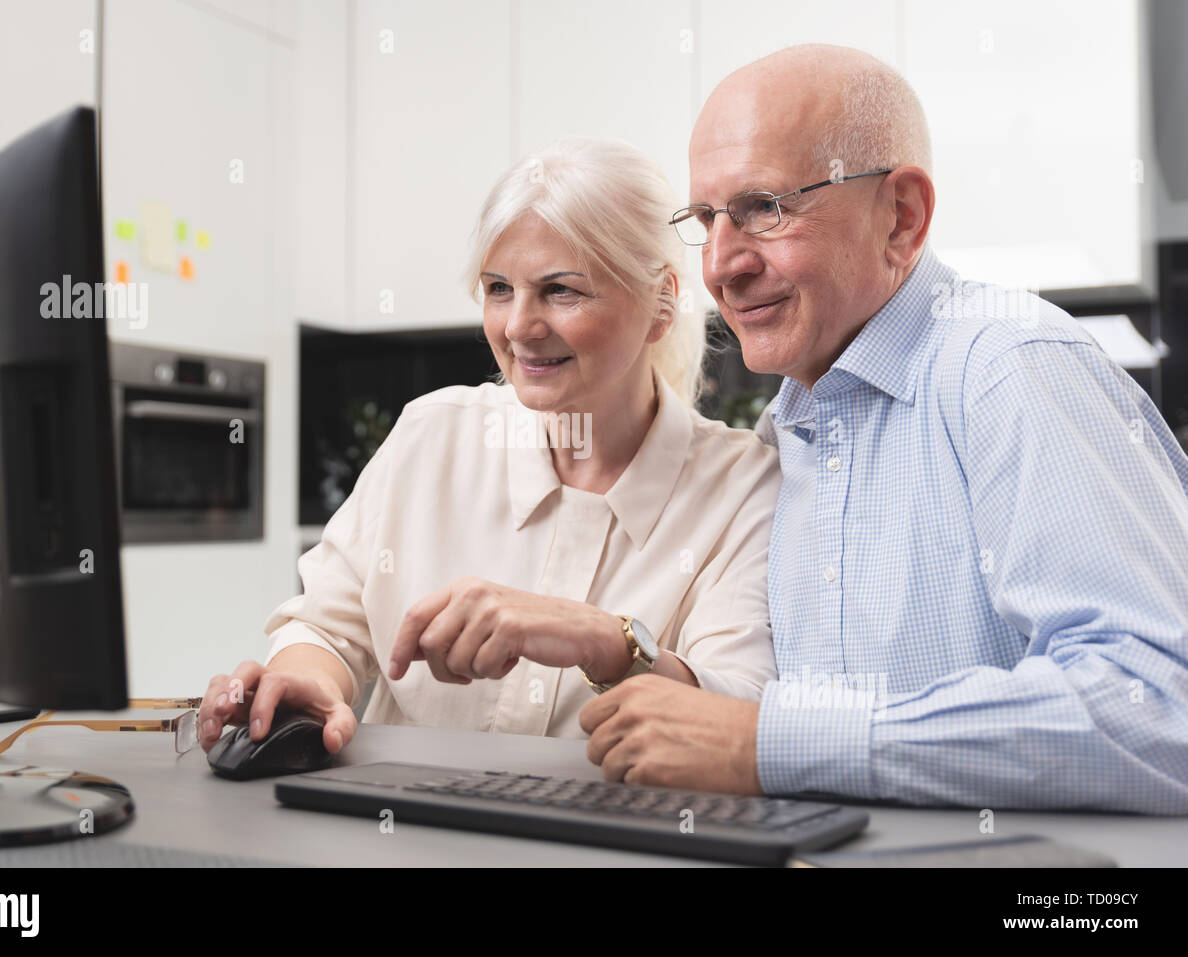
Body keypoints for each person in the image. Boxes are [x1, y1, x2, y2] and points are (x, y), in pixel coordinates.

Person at [581, 43, 1188, 814]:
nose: (722, 266)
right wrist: (627, 655)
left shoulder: (1009, 367)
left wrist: (769, 743)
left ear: (901, 217)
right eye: (706, 218)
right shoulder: (786, 434)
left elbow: (1159, 706)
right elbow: (795, 710)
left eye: (764, 207)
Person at [198, 138, 781, 757]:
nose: (518, 328)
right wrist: (303, 682)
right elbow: (325, 624)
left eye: (561, 290)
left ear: (660, 305)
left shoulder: (741, 485)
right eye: (499, 288)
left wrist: (604, 641)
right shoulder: (434, 434)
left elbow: (740, 717)